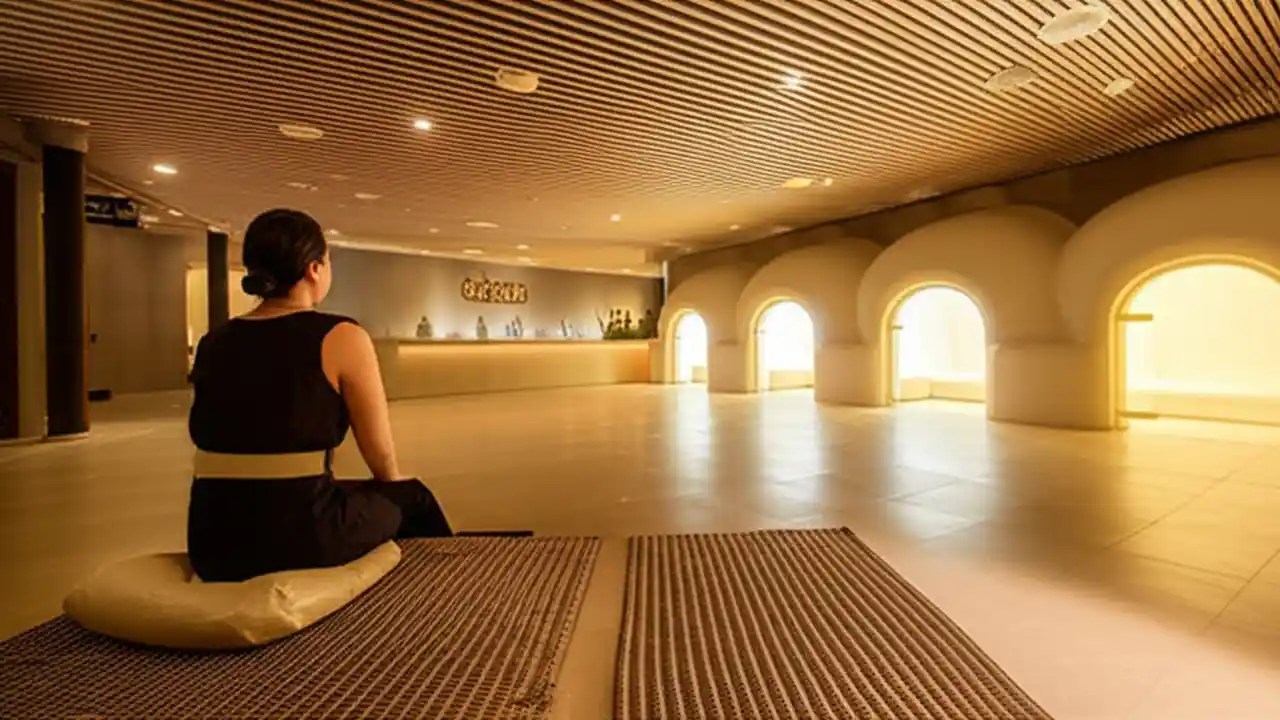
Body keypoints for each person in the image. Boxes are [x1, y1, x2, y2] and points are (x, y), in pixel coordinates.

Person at [187, 208, 453, 582]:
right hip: (301, 536)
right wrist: (391, 487)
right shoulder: (341, 336)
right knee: (412, 498)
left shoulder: (213, 341)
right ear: (314, 268)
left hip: (213, 543)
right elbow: (380, 456)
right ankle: (453, 592)